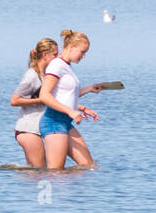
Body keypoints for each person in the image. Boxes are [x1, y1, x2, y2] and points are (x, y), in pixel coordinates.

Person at [37, 29, 101, 169]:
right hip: (53, 122)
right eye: (82, 52)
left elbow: (65, 95)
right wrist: (71, 111)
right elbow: (44, 95)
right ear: (71, 47)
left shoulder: (66, 66)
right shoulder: (56, 65)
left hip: (65, 122)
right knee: (56, 172)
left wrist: (89, 89)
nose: (83, 56)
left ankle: (72, 188)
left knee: (89, 166)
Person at [10, 37, 58, 167]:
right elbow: (14, 100)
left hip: (36, 129)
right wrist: (41, 99)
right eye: (55, 54)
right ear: (45, 55)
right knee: (39, 171)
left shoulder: (45, 76)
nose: (57, 57)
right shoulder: (32, 75)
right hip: (27, 129)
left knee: (35, 172)